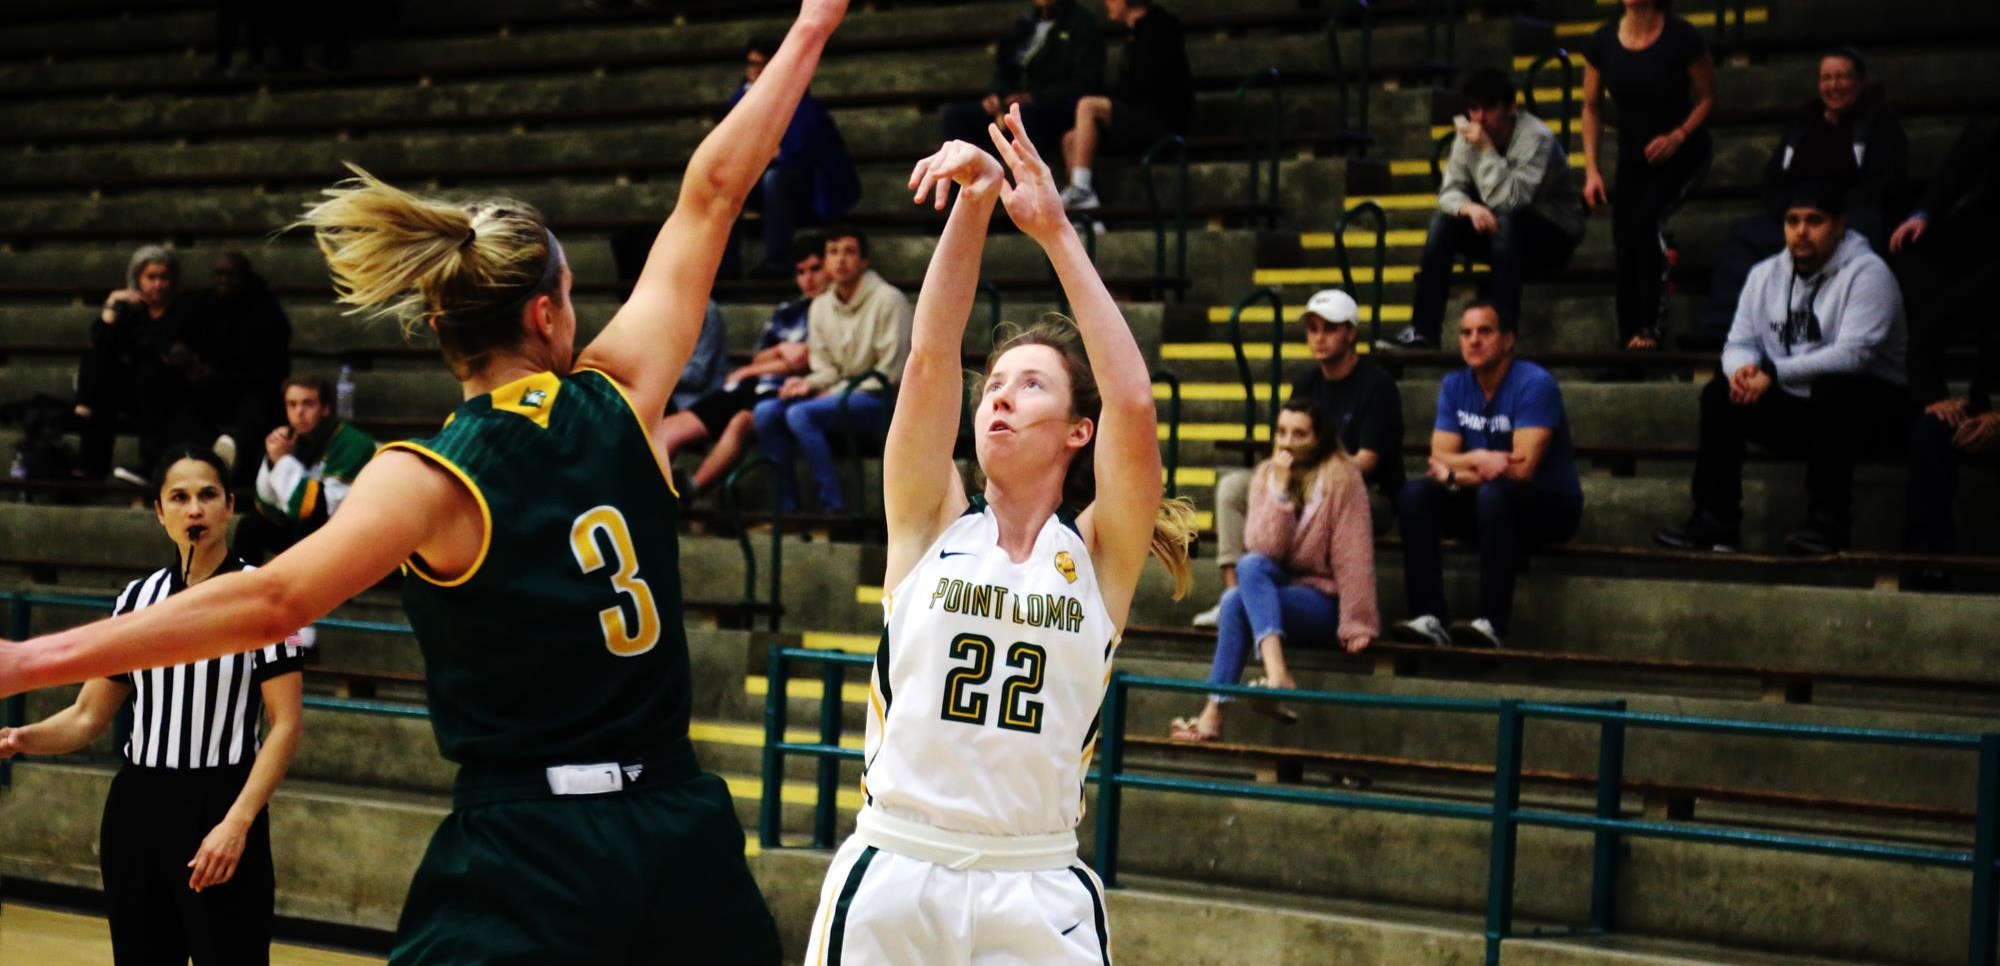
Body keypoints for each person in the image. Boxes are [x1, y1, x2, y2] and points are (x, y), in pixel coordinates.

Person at [0, 3, 849, 962]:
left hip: (529, 844)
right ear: (545, 315)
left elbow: (273, 601)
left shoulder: (427, 476)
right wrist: (813, 24)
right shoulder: (621, 396)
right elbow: (715, 192)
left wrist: (28, 661)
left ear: (443, 329)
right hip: (678, 831)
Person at [803, 108, 1196, 965]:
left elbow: (1132, 402)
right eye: (994, 386)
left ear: (1079, 432)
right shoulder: (930, 522)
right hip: (898, 865)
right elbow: (929, 356)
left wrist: (1055, 232)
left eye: (1030, 385)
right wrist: (973, 204)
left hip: (1036, 882)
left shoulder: (1097, 557)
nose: (1000, 397)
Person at [0, 447, 306, 965]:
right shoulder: (136, 600)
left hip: (222, 801)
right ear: (160, 513)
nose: (195, 509)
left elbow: (286, 725)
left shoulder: (265, 598)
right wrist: (21, 738)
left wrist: (237, 824)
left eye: (208, 495)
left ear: (229, 506)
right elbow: (88, 715)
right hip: (139, 807)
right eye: (179, 498)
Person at [1655, 184, 1910, 555]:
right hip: (1806, 412)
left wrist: (1772, 374)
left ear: (1839, 226)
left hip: (1874, 413)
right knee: (1720, 394)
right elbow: (1738, 342)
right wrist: (1742, 373)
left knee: (1834, 389)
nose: (1801, 231)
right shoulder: (1765, 275)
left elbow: (1854, 355)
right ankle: (1715, 521)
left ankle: (1828, 525)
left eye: (1814, 221)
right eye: (1793, 221)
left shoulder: (1869, 274)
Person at [1191, 288, 1403, 627]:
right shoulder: (1306, 382)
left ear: (1351, 333)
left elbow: (1366, 461)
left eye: (1330, 328)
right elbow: (1284, 446)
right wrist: (1279, 478)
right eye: (1312, 328)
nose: (1318, 337)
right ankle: (1234, 598)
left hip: (1361, 494)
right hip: (1302, 482)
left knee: (1310, 496)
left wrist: (1311, 479)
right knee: (1233, 488)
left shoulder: (1378, 384)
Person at [1171, 398, 1377, 742]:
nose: (1287, 442)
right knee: (1243, 579)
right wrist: (1279, 493)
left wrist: (1357, 621)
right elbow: (1262, 546)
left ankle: (1220, 710)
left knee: (1236, 599)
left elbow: (1354, 555)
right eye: (1281, 432)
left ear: (1319, 437)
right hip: (1273, 589)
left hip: (1321, 597)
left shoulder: (1343, 477)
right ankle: (1268, 678)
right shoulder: (1267, 474)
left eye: (1299, 434)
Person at [1396, 301, 1584, 649]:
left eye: (1485, 331)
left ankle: (1491, 623)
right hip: (1486, 503)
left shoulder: (1535, 384)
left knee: (1494, 495)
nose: (1474, 340)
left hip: (1550, 509)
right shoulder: (1454, 385)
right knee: (1414, 495)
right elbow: (1438, 459)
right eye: (1466, 333)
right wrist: (1479, 458)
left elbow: (1521, 470)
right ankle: (1428, 616)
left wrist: (1455, 473)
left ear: (1508, 339)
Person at [1695, 48, 1907, 343]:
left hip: (1846, 216)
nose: (1833, 85)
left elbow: (1882, 182)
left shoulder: (1880, 123)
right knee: (1744, 235)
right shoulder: (1804, 121)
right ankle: (1722, 331)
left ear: (1861, 82)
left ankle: (1830, 334)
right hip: (1797, 213)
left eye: (1842, 77)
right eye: (1826, 78)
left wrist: (1829, 214)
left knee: (1866, 228)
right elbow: (1774, 177)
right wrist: (1790, 213)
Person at [1388, 68, 1584, 349]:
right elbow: (1448, 192)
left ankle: (1502, 333)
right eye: (1473, 109)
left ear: (1510, 107)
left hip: (1552, 236)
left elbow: (1511, 200)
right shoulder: (1468, 135)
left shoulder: (1536, 138)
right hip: (1499, 229)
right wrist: (1469, 208)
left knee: (1506, 221)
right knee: (1442, 223)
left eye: (1489, 108)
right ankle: (1423, 330)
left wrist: (1485, 150)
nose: (1479, 118)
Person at [1580, 0, 1716, 352]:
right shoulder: (1602, 41)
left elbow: (1707, 97)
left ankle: (1651, 328)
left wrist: (1678, 135)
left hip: (1683, 149)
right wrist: (1592, 169)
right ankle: (1628, 342)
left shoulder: (1682, 36)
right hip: (1634, 155)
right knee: (1623, 237)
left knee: (1647, 221)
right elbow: (1591, 107)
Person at [753, 226, 912, 513]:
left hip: (880, 399)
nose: (840, 260)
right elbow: (825, 367)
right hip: (839, 394)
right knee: (765, 412)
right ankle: (786, 507)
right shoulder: (820, 306)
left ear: (864, 261)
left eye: (849, 252)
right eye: (833, 252)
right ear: (826, 261)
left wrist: (832, 391)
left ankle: (833, 507)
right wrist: (807, 384)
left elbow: (890, 374)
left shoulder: (889, 300)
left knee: (799, 414)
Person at [660, 237, 827, 498]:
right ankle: (649, 498)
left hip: (784, 392)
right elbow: (759, 357)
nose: (808, 279)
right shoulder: (787, 310)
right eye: (801, 272)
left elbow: (805, 363)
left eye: (815, 269)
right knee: (669, 427)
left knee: (740, 422)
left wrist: (754, 369)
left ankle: (688, 494)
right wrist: (780, 352)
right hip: (749, 386)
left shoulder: (831, 312)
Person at [1891, 117, 2000, 418]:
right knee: (1910, 246)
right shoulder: (1989, 129)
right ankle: (1930, 394)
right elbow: (1954, 173)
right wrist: (1923, 215)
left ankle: (1979, 397)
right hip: (1983, 232)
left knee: (1959, 303)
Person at [729, 37, 860, 278]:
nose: (756, 71)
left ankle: (776, 261)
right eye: (752, 64)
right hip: (759, 178)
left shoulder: (804, 107)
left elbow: (802, 156)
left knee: (776, 179)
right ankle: (725, 265)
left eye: (763, 64)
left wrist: (770, 153)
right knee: (729, 180)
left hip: (808, 187)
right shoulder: (738, 102)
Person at [1058, 0, 1193, 211]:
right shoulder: (1135, 31)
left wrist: (1112, 99)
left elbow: (1144, 87)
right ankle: (1089, 216)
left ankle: (1081, 187)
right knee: (1070, 139)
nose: (1106, 3)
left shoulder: (1158, 28)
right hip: (1137, 114)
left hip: (1160, 119)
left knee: (1088, 106)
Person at [76, 245, 191, 485]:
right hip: (132, 390)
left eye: (163, 278)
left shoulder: (182, 310)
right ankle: (92, 470)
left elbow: (168, 350)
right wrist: (112, 303)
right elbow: (100, 340)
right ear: (138, 279)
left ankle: (149, 466)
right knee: (99, 366)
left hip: (169, 388)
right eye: (151, 277)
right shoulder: (131, 311)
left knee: (147, 374)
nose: (158, 285)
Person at [233, 375, 379, 564]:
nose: (299, 412)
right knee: (249, 527)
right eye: (291, 405)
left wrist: (282, 460)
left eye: (308, 404)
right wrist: (272, 461)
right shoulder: (292, 440)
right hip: (308, 526)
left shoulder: (354, 444)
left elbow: (318, 510)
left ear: (326, 408)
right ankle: (246, 581)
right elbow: (268, 506)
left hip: (347, 533)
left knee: (305, 527)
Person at [942, 0, 1105, 167]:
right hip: (1013, 107)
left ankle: (1032, 179)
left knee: (1024, 115)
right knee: (957, 117)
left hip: (1055, 110)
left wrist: (1034, 97)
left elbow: (1086, 84)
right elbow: (1006, 68)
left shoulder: (1081, 24)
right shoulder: (1026, 22)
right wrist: (997, 95)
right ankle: (961, 182)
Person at [178, 252, 295, 480]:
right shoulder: (204, 303)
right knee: (182, 405)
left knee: (257, 405)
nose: (223, 280)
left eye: (230, 275)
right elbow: (180, 335)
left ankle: (230, 460)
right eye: (218, 274)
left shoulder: (266, 311)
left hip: (252, 387)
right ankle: (194, 463)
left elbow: (272, 370)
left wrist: (221, 376)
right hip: (212, 388)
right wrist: (183, 355)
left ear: (245, 277)